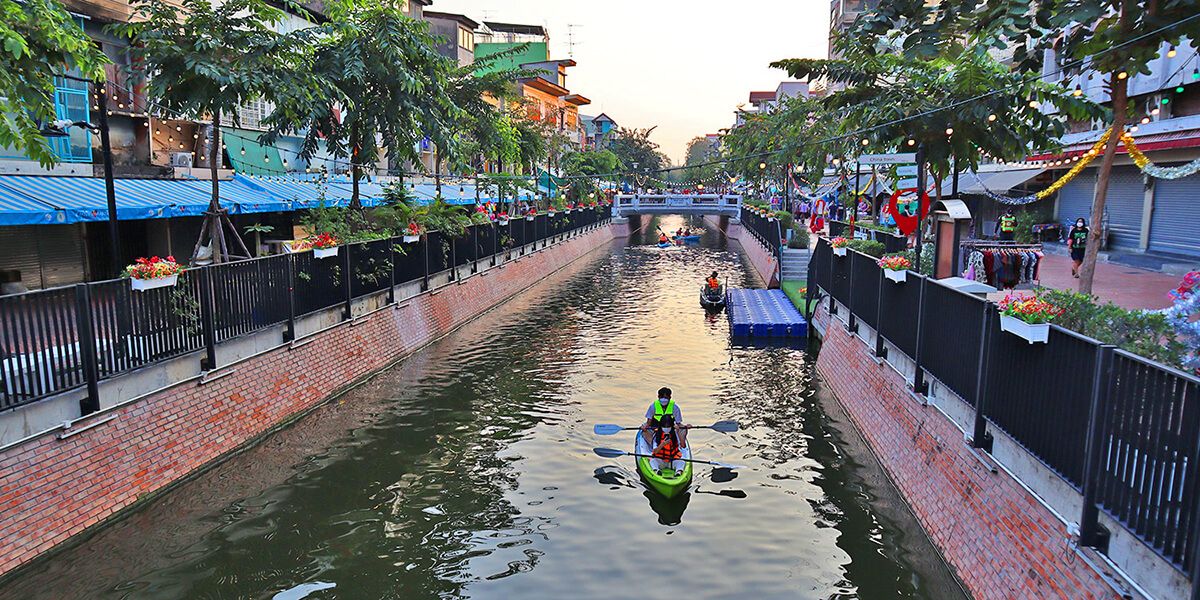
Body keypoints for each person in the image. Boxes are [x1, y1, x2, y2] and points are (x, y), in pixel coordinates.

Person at [641, 387, 688, 473]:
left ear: (670, 397)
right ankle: (656, 470)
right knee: (644, 433)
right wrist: (645, 427)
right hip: (655, 428)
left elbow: (679, 424)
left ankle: (679, 472)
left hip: (672, 429)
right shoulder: (653, 406)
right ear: (658, 396)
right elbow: (648, 422)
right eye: (662, 397)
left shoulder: (675, 407)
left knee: (681, 462)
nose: (664, 399)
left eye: (666, 397)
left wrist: (683, 429)